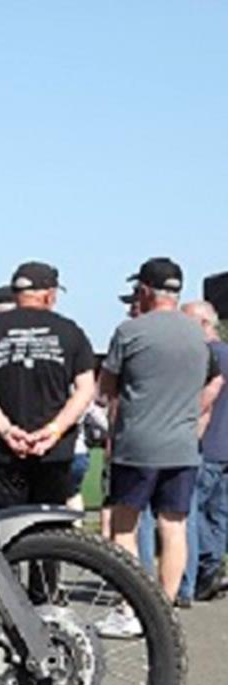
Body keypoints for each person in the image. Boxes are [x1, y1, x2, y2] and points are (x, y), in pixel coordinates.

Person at [98, 259, 221, 635]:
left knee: (124, 527)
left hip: (138, 443)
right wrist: (190, 413)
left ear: (145, 290)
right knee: (175, 526)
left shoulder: (130, 331)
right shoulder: (199, 337)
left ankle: (130, 608)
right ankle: (164, 612)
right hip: (183, 446)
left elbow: (106, 389)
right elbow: (213, 382)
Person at [0, 261, 96, 511]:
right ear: (49, 295)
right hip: (52, 453)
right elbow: (86, 390)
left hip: (1, 451)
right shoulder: (70, 331)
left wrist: (7, 430)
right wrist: (53, 431)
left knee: (0, 529)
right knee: (47, 530)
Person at [178, 300, 228, 604]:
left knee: (191, 513)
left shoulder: (203, 357)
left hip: (205, 444)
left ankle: (201, 571)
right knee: (219, 514)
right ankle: (213, 568)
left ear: (203, 324)